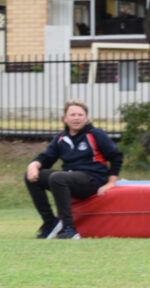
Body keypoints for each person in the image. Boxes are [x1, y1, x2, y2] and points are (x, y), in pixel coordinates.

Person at [25, 99, 123, 239]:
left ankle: (69, 229)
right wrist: (33, 165)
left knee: (58, 177)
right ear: (65, 118)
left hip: (92, 179)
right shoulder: (61, 137)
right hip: (69, 178)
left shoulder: (95, 134)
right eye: (72, 115)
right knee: (32, 176)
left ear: (86, 118)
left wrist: (111, 182)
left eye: (80, 114)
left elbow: (116, 156)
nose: (76, 118)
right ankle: (50, 222)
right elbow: (47, 158)